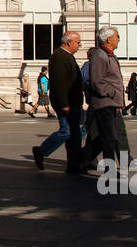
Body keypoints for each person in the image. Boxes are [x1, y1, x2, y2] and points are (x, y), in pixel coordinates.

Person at [32, 30, 85, 174]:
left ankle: (73, 163)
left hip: (72, 102)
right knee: (68, 131)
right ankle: (42, 150)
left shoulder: (67, 56)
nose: (80, 45)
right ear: (69, 42)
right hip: (67, 103)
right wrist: (64, 104)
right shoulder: (60, 57)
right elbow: (59, 83)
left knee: (74, 133)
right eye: (78, 42)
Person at [83, 27, 125, 171]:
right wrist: (112, 93)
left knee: (106, 137)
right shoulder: (100, 56)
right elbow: (97, 81)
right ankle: (110, 170)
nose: (119, 39)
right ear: (109, 39)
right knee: (108, 138)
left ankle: (81, 159)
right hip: (104, 102)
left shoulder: (108, 55)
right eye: (117, 36)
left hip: (110, 102)